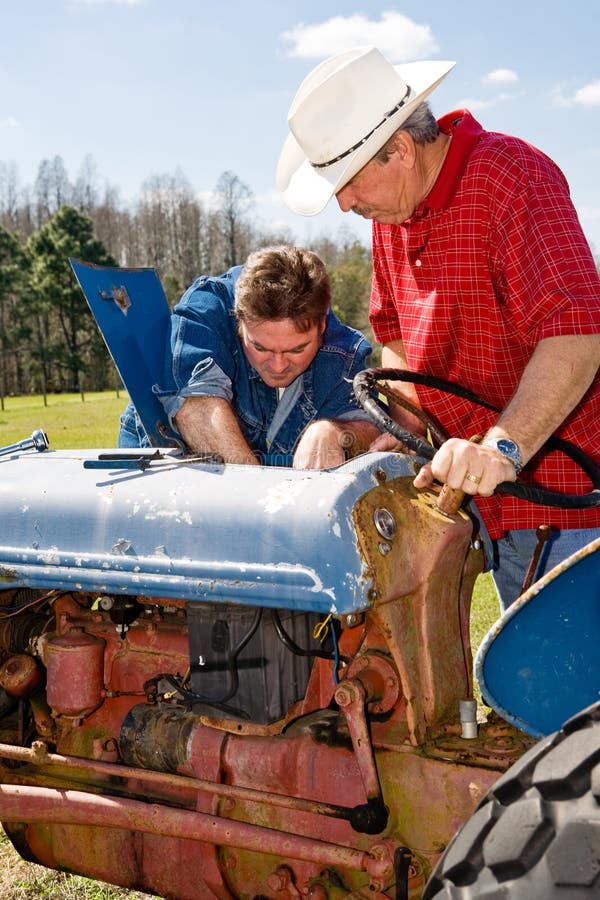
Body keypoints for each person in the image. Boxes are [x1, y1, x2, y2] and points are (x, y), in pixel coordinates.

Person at [277, 45, 600, 609]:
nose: (345, 203)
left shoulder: (511, 175)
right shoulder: (393, 217)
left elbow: (575, 334)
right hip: (481, 502)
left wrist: (502, 449)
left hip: (566, 500)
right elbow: (396, 339)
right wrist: (395, 429)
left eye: (349, 183)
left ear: (400, 149)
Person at [119, 244, 381, 469]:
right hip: (162, 469)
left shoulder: (344, 351)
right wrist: (256, 505)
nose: (278, 366)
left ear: (321, 327)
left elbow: (374, 432)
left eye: (296, 350)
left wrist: (336, 432)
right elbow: (197, 408)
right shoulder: (207, 310)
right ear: (239, 320)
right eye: (261, 347)